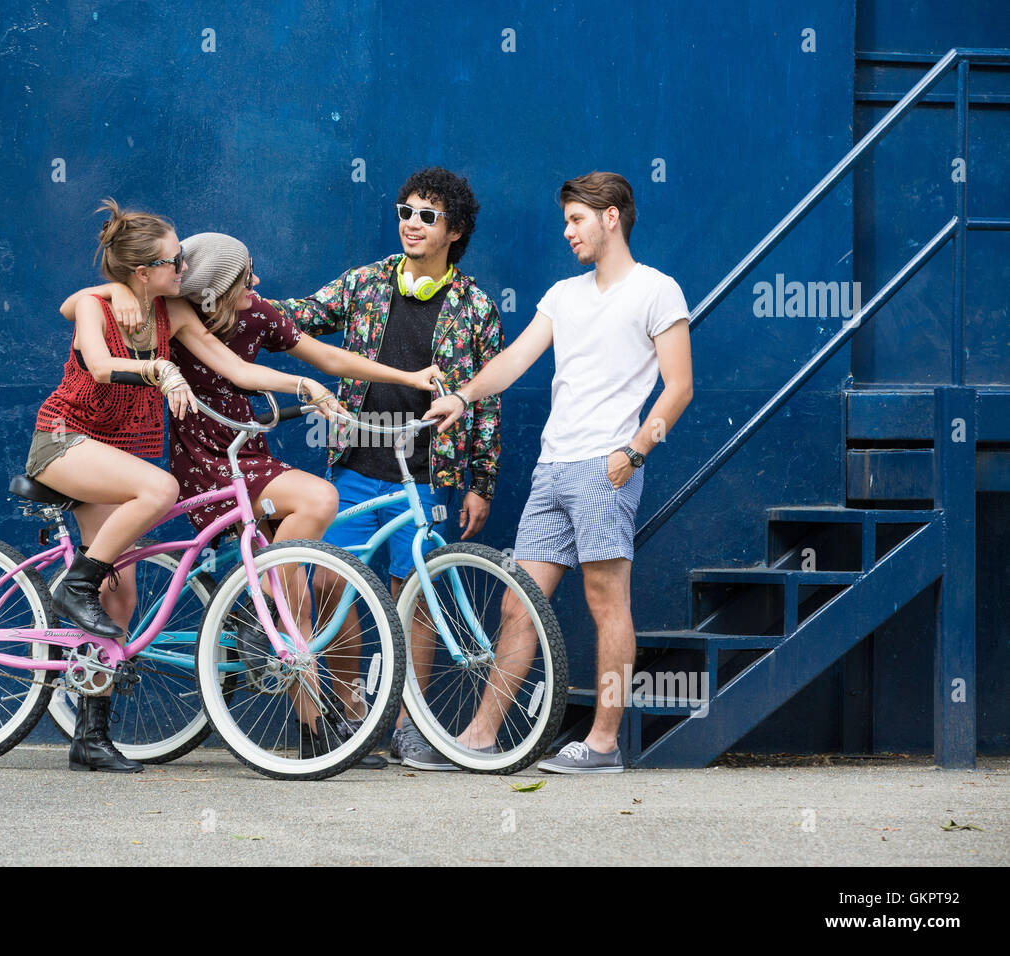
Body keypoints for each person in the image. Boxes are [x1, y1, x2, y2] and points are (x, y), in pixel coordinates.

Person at [59, 233, 442, 769]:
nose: (258, 285)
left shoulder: (252, 313)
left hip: (247, 458)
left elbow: (324, 356)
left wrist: (398, 378)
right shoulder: (171, 313)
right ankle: (267, 605)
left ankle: (301, 701)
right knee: (299, 558)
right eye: (247, 276)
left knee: (296, 594)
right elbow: (87, 304)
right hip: (205, 467)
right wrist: (114, 288)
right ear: (214, 290)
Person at [31, 200, 342, 773]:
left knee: (120, 598)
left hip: (109, 455)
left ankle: (90, 737)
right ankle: (73, 585)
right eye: (177, 259)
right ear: (143, 269)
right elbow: (97, 361)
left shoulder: (169, 311)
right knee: (162, 489)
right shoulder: (100, 304)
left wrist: (307, 385)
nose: (186, 267)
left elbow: (241, 372)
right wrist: (159, 369)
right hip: (64, 442)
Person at [426, 171, 694, 774]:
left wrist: (634, 453)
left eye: (576, 219)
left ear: (611, 218)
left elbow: (678, 387)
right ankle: (479, 737)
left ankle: (602, 744)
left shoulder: (657, 290)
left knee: (606, 602)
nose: (567, 230)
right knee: (518, 604)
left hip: (607, 468)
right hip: (553, 468)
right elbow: (516, 360)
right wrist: (463, 397)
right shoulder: (562, 295)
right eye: (566, 219)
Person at [268, 166, 505, 771]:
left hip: (429, 473)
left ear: (455, 230)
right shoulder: (366, 284)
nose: (411, 224)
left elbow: (487, 400)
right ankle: (350, 711)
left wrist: (480, 483)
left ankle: (409, 723)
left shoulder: (476, 306)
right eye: (405, 211)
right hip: (356, 462)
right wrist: (238, 304)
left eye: (427, 215)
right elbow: (297, 317)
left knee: (415, 597)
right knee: (327, 585)